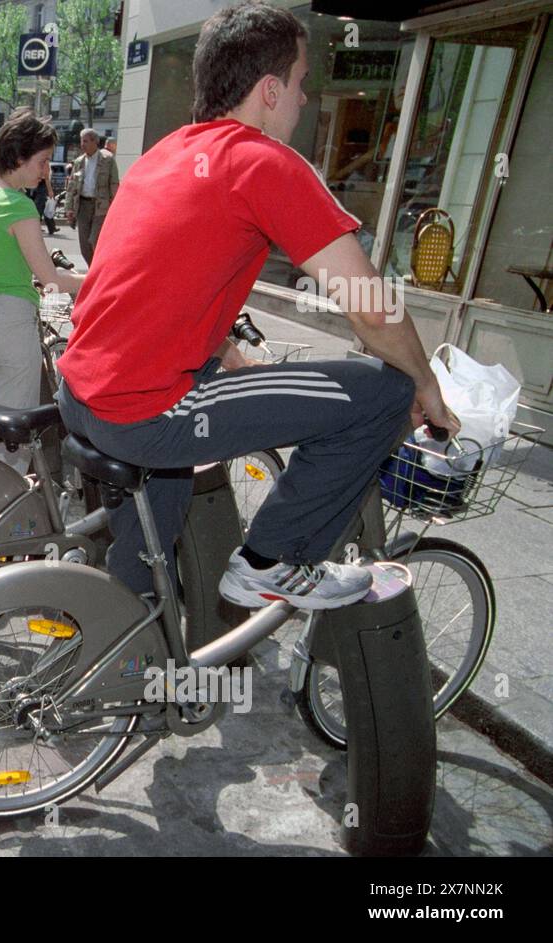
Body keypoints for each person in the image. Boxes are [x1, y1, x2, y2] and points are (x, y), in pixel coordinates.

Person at [55, 0, 458, 608]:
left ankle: (125, 630)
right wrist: (426, 383)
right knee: (383, 392)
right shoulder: (263, 163)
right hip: (144, 413)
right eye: (300, 84)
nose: (303, 100)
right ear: (269, 90)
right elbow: (370, 308)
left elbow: (155, 287)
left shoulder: (161, 157)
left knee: (151, 543)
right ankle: (273, 562)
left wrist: (228, 353)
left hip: (81, 392)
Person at [0, 109, 85, 472]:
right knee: (15, 437)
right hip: (11, 327)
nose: (46, 171)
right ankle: (6, 517)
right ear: (18, 157)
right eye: (42, 162)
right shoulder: (18, 205)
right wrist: (99, 280)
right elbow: (50, 277)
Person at [64, 127, 118, 265]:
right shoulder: (78, 162)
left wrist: (115, 207)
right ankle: (92, 270)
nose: (83, 144)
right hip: (82, 206)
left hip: (100, 206)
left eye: (86, 141)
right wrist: (68, 208)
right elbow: (71, 187)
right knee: (84, 246)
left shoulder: (108, 160)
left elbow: (114, 184)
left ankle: (99, 270)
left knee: (94, 240)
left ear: (95, 142)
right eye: (82, 141)